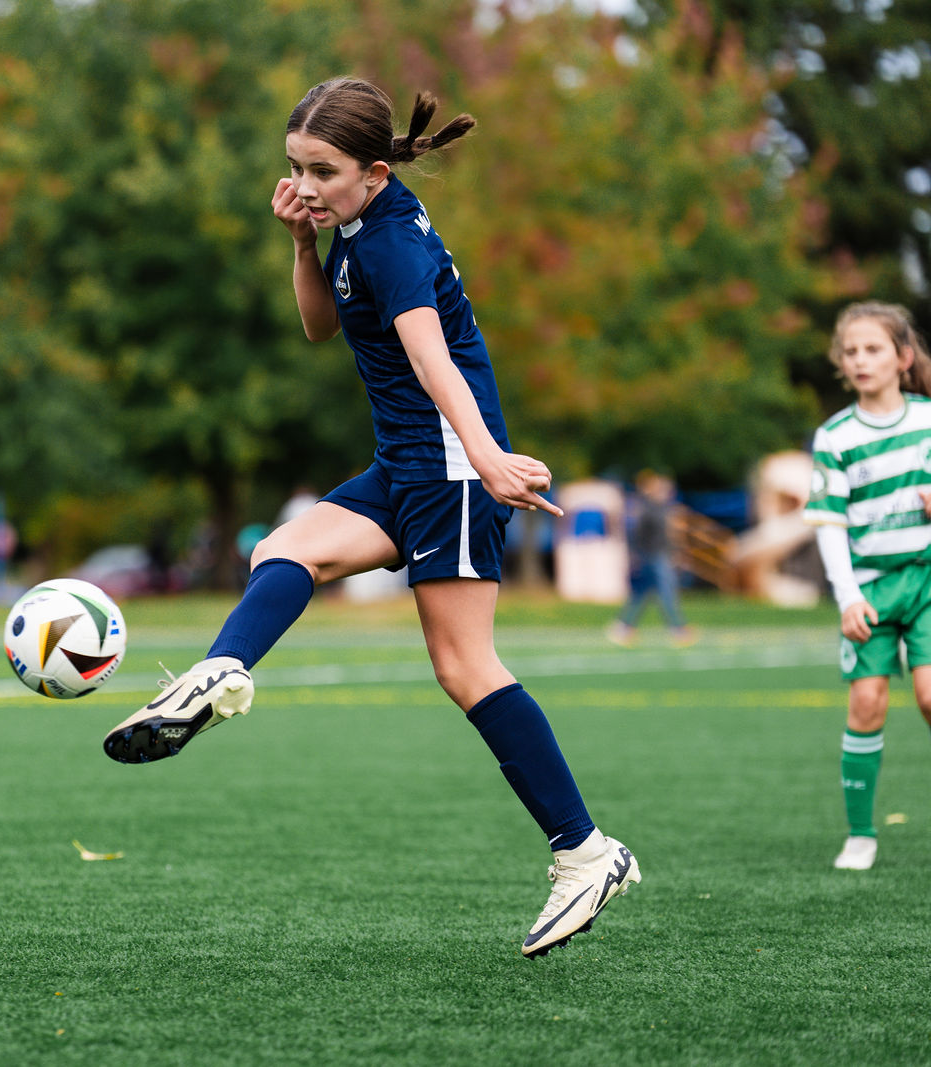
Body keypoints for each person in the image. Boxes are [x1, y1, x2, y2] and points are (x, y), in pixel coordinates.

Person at [102, 77, 639, 958]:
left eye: (322, 171)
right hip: (407, 461)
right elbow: (321, 329)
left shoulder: (389, 247)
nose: (304, 184)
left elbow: (434, 360)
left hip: (453, 466)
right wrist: (300, 243)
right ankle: (221, 672)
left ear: (375, 172)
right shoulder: (353, 227)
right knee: (286, 549)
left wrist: (491, 458)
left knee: (466, 666)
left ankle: (587, 853)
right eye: (294, 167)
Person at [801, 301, 931, 872]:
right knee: (867, 702)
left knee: (930, 697)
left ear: (903, 357)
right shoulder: (834, 437)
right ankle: (860, 834)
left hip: (926, 579)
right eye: (850, 351)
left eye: (873, 348)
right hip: (870, 588)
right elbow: (829, 523)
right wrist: (848, 596)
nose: (860, 359)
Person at [606, 470, 697, 648]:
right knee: (666, 592)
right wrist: (637, 555)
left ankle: (623, 626)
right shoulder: (647, 509)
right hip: (652, 556)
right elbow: (638, 535)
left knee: (642, 594)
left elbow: (669, 536)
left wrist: (676, 553)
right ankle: (677, 628)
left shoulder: (663, 508)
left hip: (660, 555)